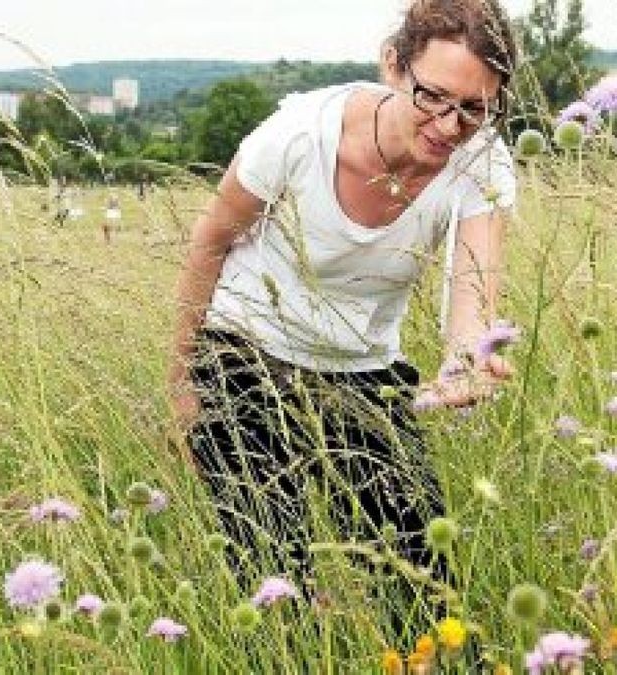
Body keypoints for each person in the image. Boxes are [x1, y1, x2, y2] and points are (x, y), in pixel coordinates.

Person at [165, 0, 518, 630]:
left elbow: (475, 288)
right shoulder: (297, 135)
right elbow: (209, 242)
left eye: (473, 109)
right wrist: (181, 388)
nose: (448, 125)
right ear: (393, 67)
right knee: (276, 593)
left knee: (429, 590)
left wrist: (470, 361)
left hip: (364, 368)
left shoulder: (481, 161)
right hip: (245, 354)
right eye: (433, 97)